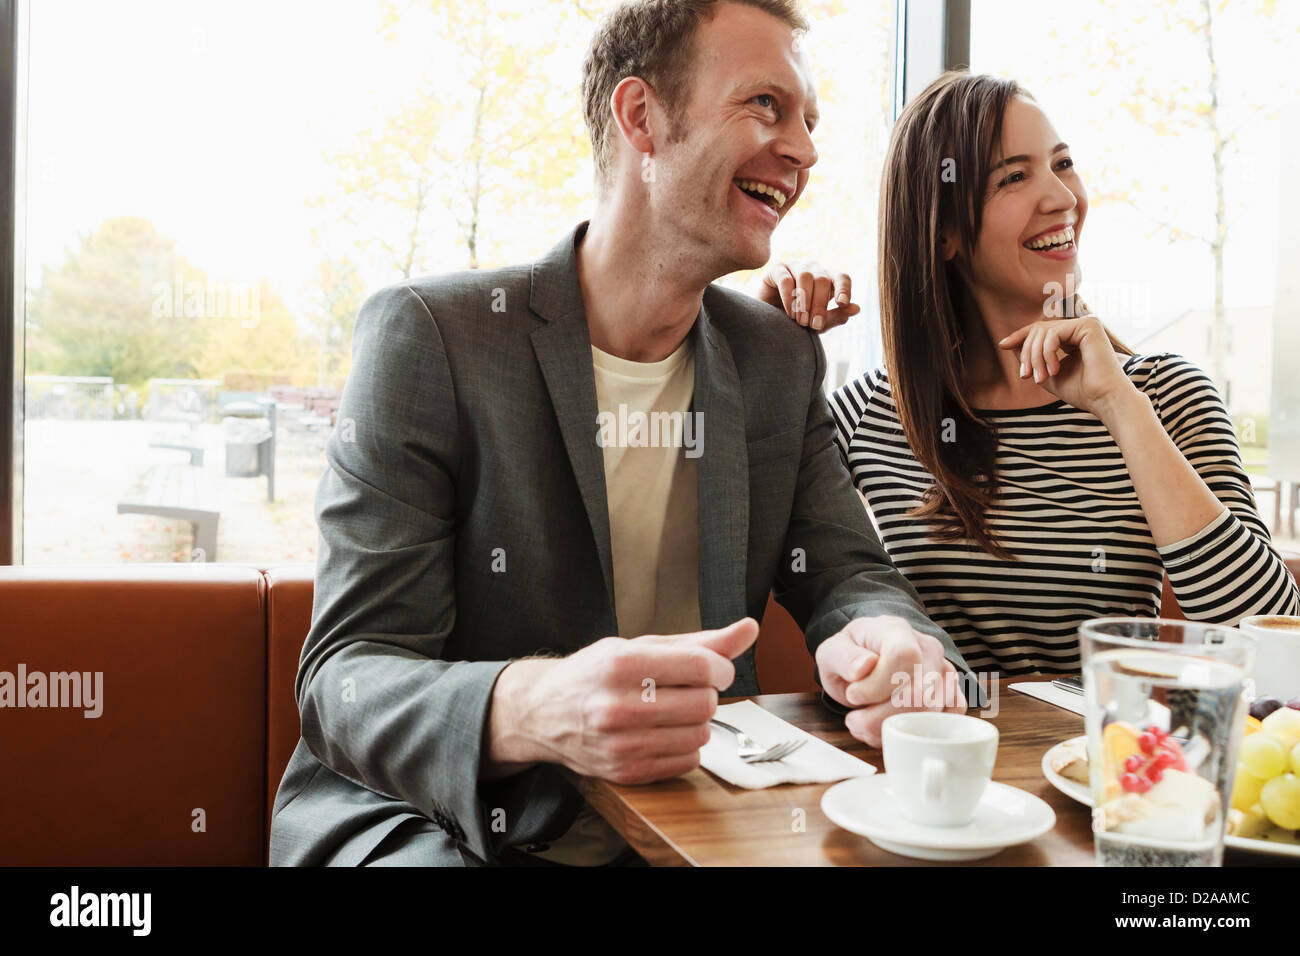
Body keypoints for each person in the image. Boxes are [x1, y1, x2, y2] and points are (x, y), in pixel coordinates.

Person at [269, 0, 971, 869]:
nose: (805, 149)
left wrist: (884, 637)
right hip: (438, 827)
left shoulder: (778, 364)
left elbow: (849, 576)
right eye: (765, 105)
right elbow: (345, 678)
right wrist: (532, 705)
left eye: (810, 121)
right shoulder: (433, 337)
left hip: (696, 824)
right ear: (641, 116)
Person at [759, 71, 1300, 677]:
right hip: (930, 755)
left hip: (1097, 760)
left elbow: (1262, 634)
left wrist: (1120, 406)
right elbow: (742, 537)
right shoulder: (870, 413)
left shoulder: (1166, 395)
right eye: (1014, 177)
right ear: (943, 231)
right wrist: (771, 339)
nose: (1063, 197)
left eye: (1062, 163)